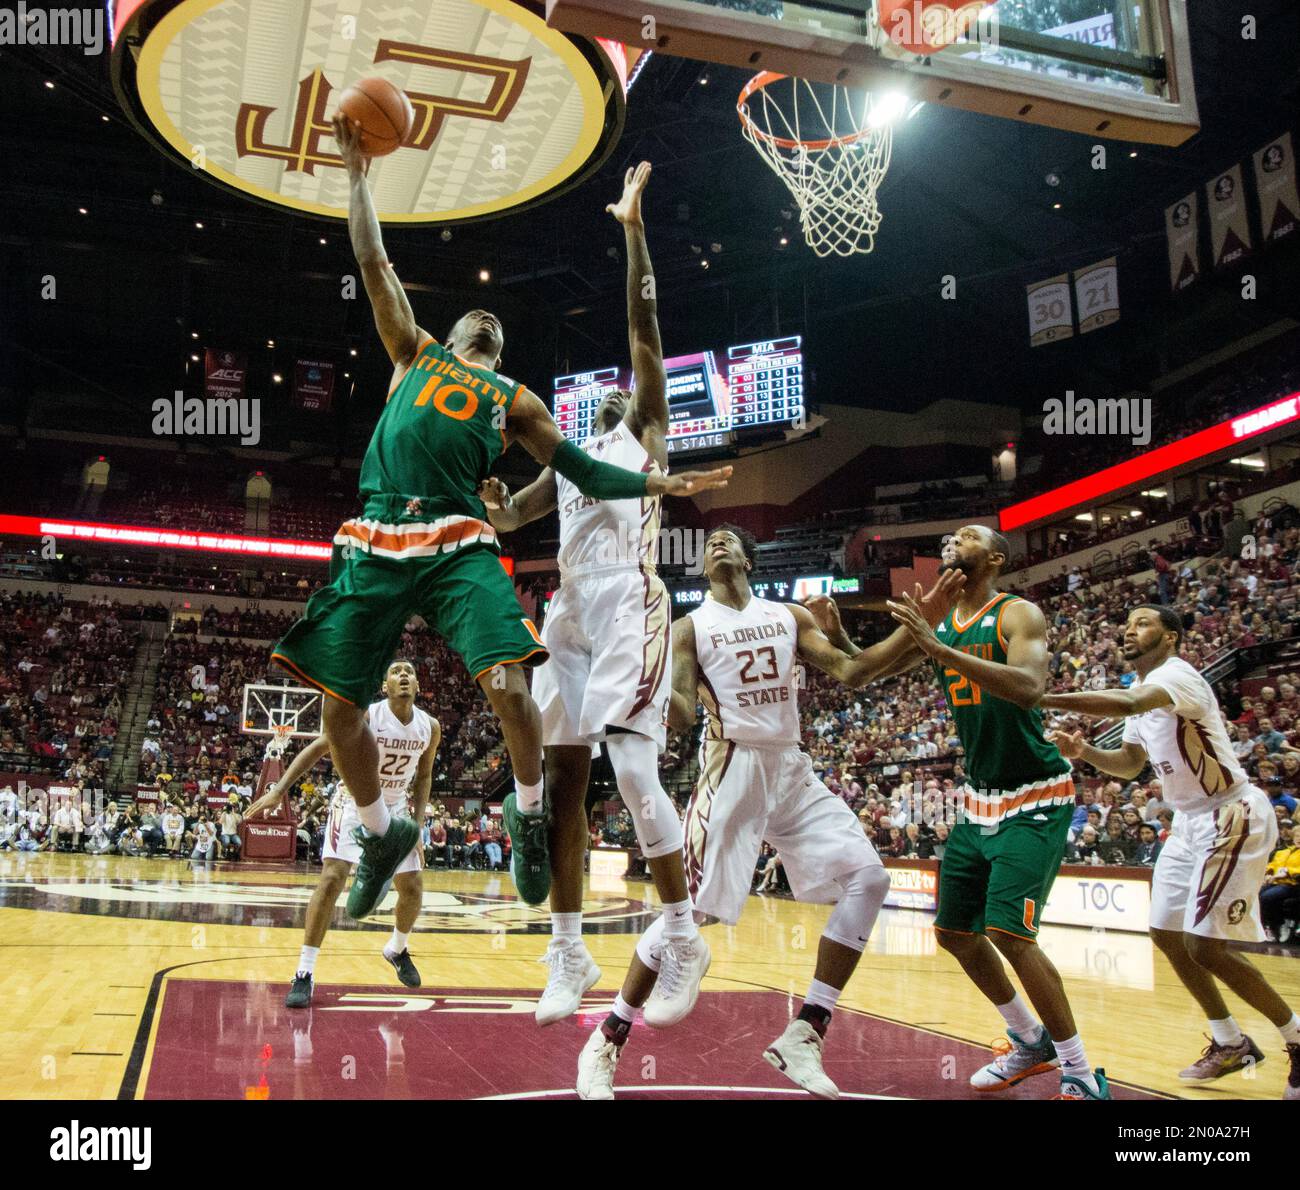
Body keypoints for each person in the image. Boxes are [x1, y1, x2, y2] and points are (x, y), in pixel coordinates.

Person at [269, 123, 730, 922]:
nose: (486, 320)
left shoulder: (517, 400)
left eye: (498, 324)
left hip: (459, 542)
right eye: (475, 320)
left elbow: (580, 469)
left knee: (515, 684)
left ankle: (525, 811)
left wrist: (657, 477)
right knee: (337, 709)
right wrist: (355, 177)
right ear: (448, 336)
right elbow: (373, 261)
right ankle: (379, 831)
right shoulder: (411, 350)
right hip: (379, 532)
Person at [575, 524, 964, 1100]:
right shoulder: (689, 629)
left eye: (730, 539)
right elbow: (683, 713)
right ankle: (606, 1040)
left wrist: (920, 624)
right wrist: (644, 682)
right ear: (703, 568)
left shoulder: (790, 617)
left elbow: (854, 671)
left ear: (749, 559)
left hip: (789, 765)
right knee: (695, 913)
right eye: (709, 543)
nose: (717, 544)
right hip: (731, 768)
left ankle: (806, 1031)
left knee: (870, 878)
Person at [480, 163, 710, 1028]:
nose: (614, 389)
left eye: (623, 387)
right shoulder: (564, 465)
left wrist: (632, 228)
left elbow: (644, 324)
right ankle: (569, 948)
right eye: (603, 391)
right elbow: (509, 521)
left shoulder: (643, 436)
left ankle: (682, 932)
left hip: (630, 605)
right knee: (563, 782)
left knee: (633, 765)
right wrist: (497, 508)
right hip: (571, 609)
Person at [1043, 604, 1300, 1099]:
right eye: (1126, 625)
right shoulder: (1144, 694)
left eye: (1142, 623)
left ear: (1172, 638)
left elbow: (1124, 704)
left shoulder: (1178, 677)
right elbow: (1131, 762)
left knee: (1205, 946)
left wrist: (1044, 696)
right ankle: (1230, 1041)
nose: (1129, 631)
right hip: (1187, 822)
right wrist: (1086, 755)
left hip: (1231, 813)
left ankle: (1295, 1037)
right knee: (1166, 933)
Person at [888, 523, 1108, 1100]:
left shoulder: (1018, 613)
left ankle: (1081, 1070)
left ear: (995, 557)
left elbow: (1031, 686)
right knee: (955, 933)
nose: (951, 541)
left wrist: (940, 651)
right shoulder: (938, 617)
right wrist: (838, 639)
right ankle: (1027, 1039)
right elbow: (868, 668)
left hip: (1035, 792)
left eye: (966, 536)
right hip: (979, 796)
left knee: (1011, 934)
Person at [245, 661, 439, 1008]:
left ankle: (397, 949)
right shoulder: (367, 717)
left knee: (412, 887)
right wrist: (279, 789)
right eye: (396, 671)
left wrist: (420, 824)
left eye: (410, 670)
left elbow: (424, 777)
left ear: (419, 686)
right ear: (385, 686)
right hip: (352, 803)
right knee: (332, 879)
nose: (405, 675)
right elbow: (320, 746)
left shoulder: (430, 727)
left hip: (395, 809)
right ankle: (304, 972)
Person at [1261, 823, 1298, 943]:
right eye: (1297, 835)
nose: (1299, 838)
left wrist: (1288, 872)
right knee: (1257, 893)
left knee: (1268, 896)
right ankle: (1267, 926)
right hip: (1276, 881)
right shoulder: (1282, 852)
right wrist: (1268, 873)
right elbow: (1272, 865)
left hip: (1292, 884)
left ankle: (1278, 924)